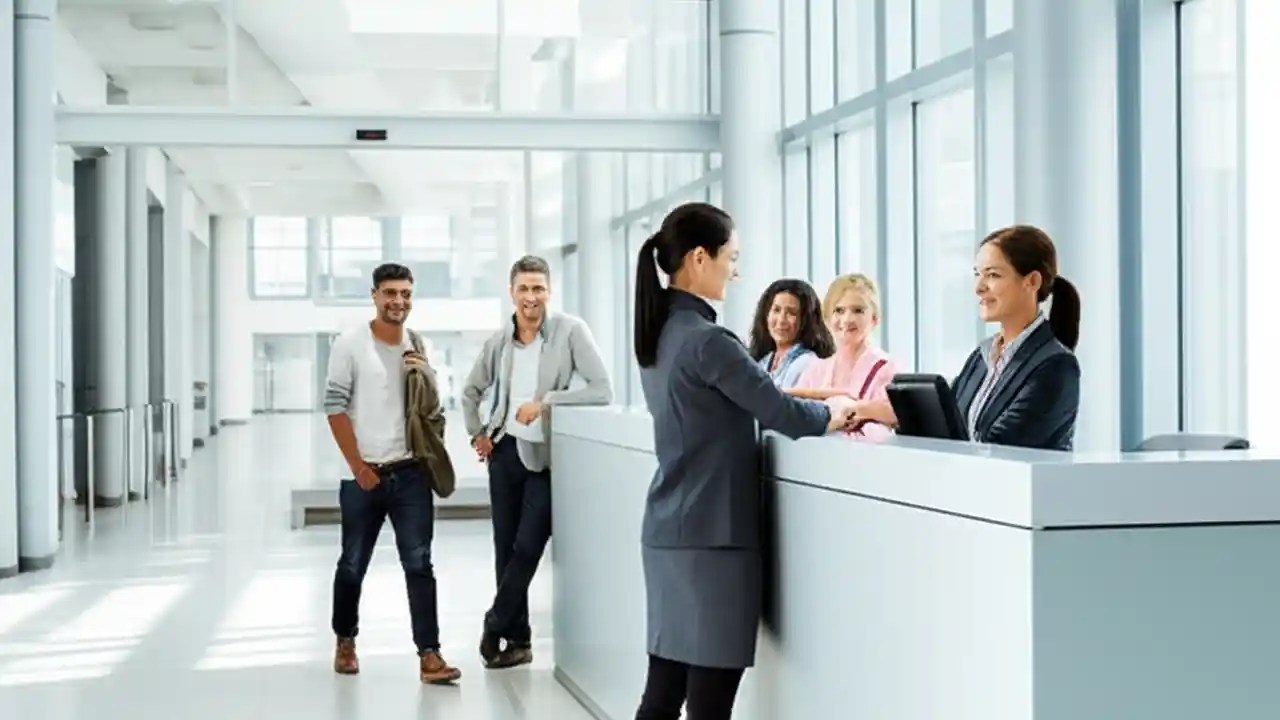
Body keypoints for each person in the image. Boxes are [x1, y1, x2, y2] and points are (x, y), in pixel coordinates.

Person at [632, 203, 858, 720]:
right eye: (731, 257)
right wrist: (836, 412)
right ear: (698, 258)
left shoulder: (660, 332)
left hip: (671, 531)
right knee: (710, 704)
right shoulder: (708, 340)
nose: (735, 269)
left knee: (663, 694)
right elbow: (777, 409)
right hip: (714, 540)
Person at [461, 255, 613, 670]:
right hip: (505, 451)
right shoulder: (499, 341)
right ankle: (520, 640)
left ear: (549, 291)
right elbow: (471, 392)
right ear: (512, 292)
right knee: (504, 548)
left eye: (539, 288)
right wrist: (478, 433)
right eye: (524, 288)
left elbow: (602, 389)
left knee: (528, 546)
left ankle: (495, 621)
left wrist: (545, 403)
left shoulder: (570, 332)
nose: (531, 297)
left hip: (546, 457)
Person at [324, 262, 461, 685]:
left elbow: (431, 409)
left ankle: (430, 656)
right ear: (374, 295)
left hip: (411, 474)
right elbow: (334, 406)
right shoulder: (350, 343)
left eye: (405, 293)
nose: (398, 301)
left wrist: (424, 374)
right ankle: (345, 639)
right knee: (352, 564)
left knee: (420, 565)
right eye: (390, 293)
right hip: (363, 476)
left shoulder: (418, 345)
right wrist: (358, 467)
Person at [858, 225, 1081, 450]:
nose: (979, 287)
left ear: (1031, 281)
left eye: (993, 275)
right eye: (978, 274)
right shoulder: (982, 356)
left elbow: (1003, 447)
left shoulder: (1056, 366)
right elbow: (951, 422)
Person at [787, 274, 897, 440]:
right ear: (827, 319)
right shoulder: (815, 370)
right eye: (839, 310)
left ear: (874, 318)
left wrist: (856, 410)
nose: (847, 319)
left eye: (858, 310)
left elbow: (898, 415)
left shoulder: (887, 369)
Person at [747, 279, 834, 390]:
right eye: (776, 310)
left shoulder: (807, 363)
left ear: (805, 320)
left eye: (791, 313)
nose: (781, 320)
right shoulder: (763, 362)